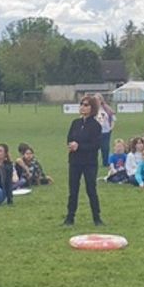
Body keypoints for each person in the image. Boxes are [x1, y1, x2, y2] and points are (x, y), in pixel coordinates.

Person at [65, 95, 103, 227]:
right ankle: (70, 217)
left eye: (86, 105)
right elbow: (69, 138)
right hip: (75, 162)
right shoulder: (75, 123)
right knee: (73, 190)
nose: (83, 107)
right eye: (81, 104)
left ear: (92, 108)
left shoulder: (96, 126)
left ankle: (96, 218)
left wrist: (79, 146)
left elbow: (95, 145)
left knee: (91, 189)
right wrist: (71, 144)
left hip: (89, 163)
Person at [96, 94, 116, 168]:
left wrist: (111, 127)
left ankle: (105, 162)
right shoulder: (92, 109)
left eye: (99, 99)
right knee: (95, 147)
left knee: (105, 147)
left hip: (106, 131)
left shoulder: (106, 109)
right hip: (95, 132)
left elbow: (113, 118)